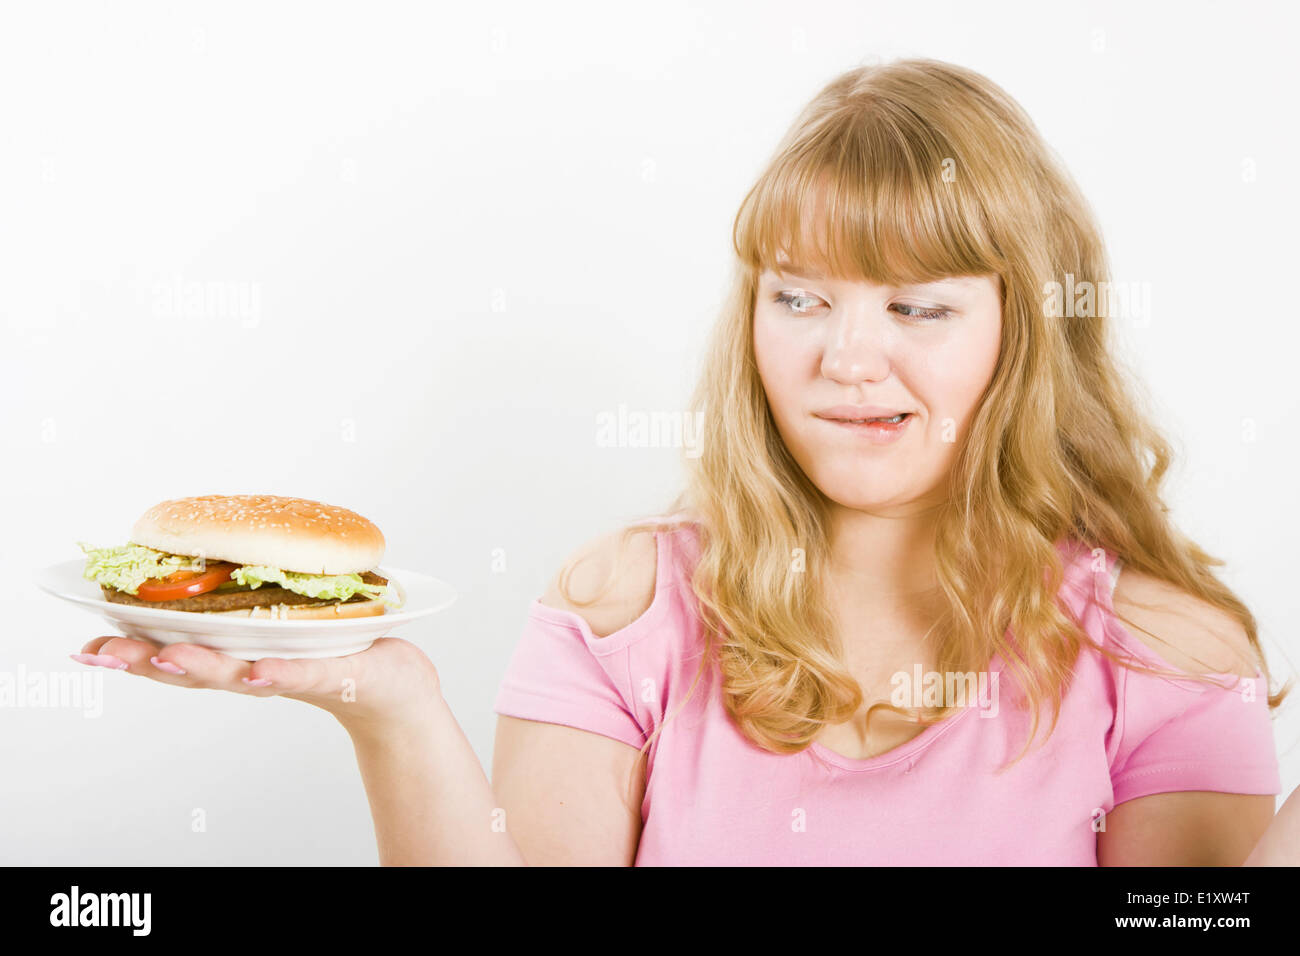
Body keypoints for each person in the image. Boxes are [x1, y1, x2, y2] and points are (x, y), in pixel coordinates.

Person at [74, 57, 1297, 866]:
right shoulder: (623, 608)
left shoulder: (1166, 654)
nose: (845, 360)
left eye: (918, 309)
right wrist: (387, 703)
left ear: (1023, 335)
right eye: (801, 298)